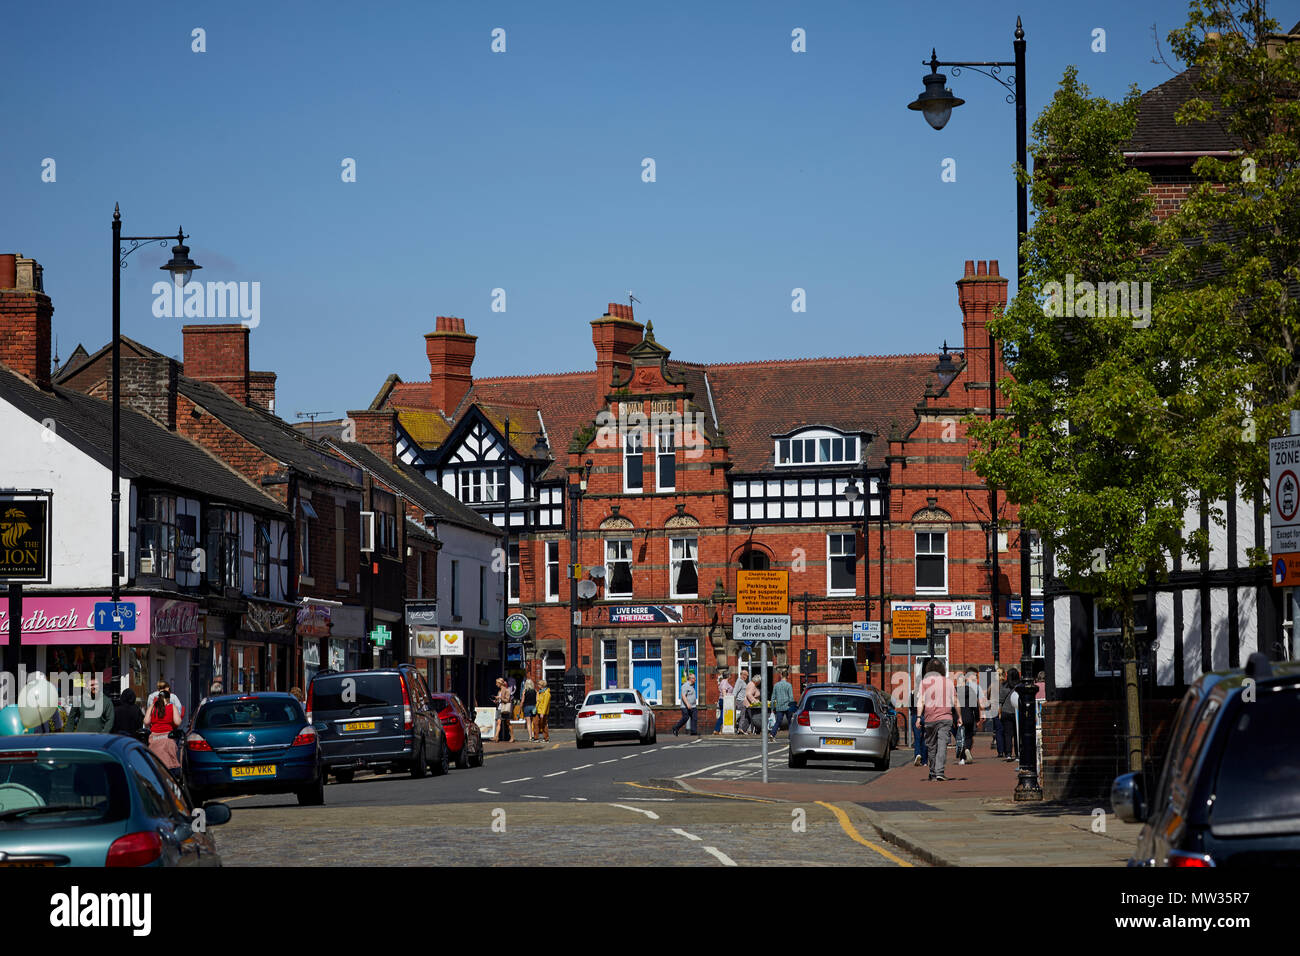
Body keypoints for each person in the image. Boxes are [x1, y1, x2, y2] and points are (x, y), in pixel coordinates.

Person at [916, 659, 954, 781]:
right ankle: (939, 772)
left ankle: (933, 771)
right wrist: (960, 716)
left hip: (929, 718)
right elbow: (956, 700)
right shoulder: (948, 682)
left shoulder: (924, 682)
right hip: (945, 717)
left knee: (931, 746)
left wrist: (918, 718)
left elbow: (921, 701)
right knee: (942, 745)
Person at [147, 688, 182, 770]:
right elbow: (178, 722)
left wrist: (152, 706)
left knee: (155, 764)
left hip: (154, 738)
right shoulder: (171, 707)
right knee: (170, 764)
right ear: (168, 699)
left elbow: (146, 721)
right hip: (168, 737)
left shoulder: (153, 707)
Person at [957, 669, 982, 765]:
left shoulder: (955, 691)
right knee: (969, 736)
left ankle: (962, 758)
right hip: (969, 717)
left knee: (960, 738)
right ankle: (967, 748)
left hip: (959, 718)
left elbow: (952, 706)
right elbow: (975, 706)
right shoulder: (971, 691)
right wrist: (977, 719)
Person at [769, 669, 795, 740]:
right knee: (790, 722)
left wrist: (772, 708)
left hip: (779, 706)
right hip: (787, 706)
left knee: (778, 722)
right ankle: (791, 737)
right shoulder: (789, 685)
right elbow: (791, 697)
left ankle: (772, 734)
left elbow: (773, 697)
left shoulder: (776, 685)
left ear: (781, 675)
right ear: (788, 676)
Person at [1001, 668, 1020, 762]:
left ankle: (1008, 754)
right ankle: (1017, 754)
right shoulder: (1020, 686)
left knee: (1007, 734)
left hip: (1006, 711)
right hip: (1017, 711)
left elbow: (1000, 700)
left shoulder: (1004, 686)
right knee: (1017, 734)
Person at [993, 668, 1012, 758]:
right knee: (1005, 730)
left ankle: (1001, 751)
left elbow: (988, 694)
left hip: (998, 709)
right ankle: (1005, 750)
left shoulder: (995, 685)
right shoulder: (1007, 684)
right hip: (1004, 709)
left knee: (999, 731)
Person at [494, 678, 513, 742]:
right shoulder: (499, 691)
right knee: (498, 722)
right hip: (499, 708)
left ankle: (512, 737)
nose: (496, 684)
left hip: (505, 709)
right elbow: (499, 700)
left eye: (497, 683)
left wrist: (500, 698)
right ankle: (496, 737)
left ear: (500, 683)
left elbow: (507, 700)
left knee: (508, 723)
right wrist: (496, 700)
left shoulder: (507, 690)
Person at [734, 669, 751, 735]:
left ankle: (740, 728)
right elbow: (735, 691)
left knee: (742, 716)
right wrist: (734, 701)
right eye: (746, 675)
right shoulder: (740, 681)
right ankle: (740, 728)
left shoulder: (742, 682)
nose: (747, 677)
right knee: (742, 716)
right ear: (743, 675)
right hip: (740, 701)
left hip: (742, 701)